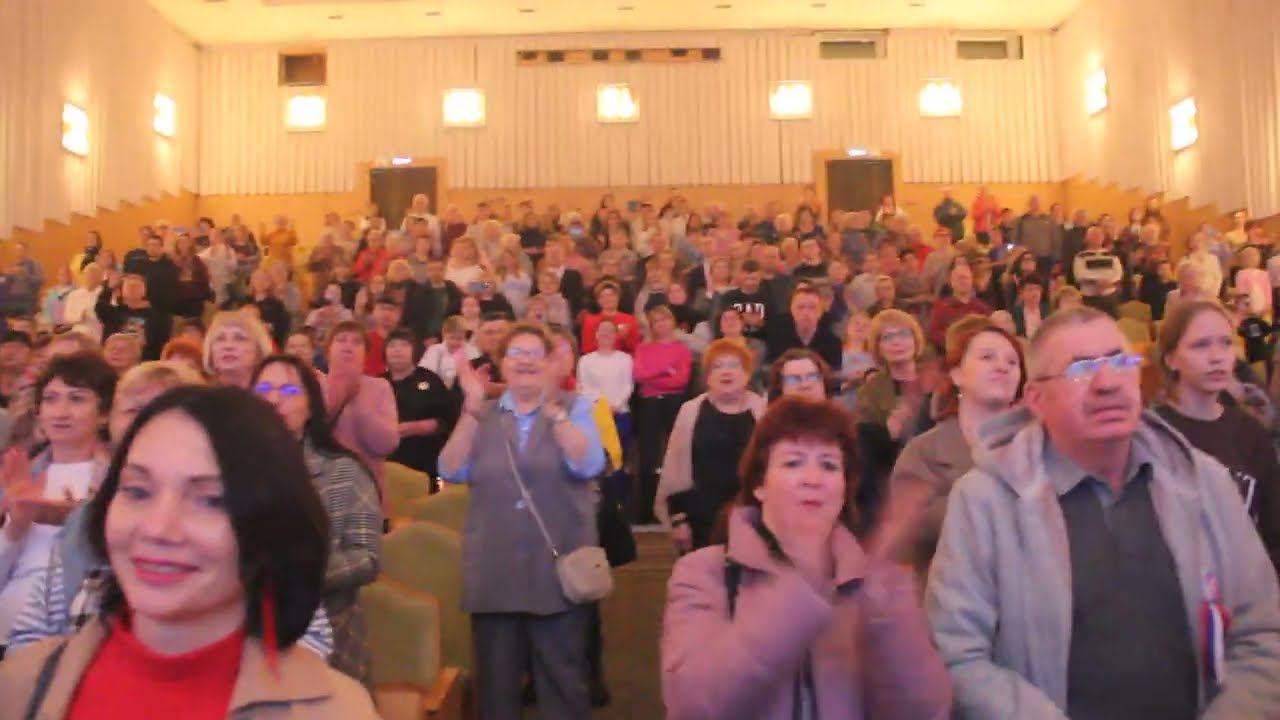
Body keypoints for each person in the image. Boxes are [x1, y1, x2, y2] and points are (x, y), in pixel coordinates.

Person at [927, 307, 1280, 719]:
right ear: (1036, 399)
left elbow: (1262, 633)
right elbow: (958, 654)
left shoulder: (1204, 482)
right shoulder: (985, 501)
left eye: (1120, 361)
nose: (1108, 383)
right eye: (1081, 369)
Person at [0, 386, 379, 718]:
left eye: (211, 500)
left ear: (269, 525)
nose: (158, 528)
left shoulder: (337, 712)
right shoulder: (21, 685)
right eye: (137, 491)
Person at [661, 397, 952, 720]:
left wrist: (885, 607)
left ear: (844, 489)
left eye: (829, 465)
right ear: (759, 486)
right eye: (793, 463)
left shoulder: (876, 584)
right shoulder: (705, 573)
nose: (812, 479)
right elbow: (693, 704)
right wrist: (800, 585)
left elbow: (926, 710)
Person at [438, 322, 606, 720]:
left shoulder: (575, 407)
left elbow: (588, 465)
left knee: (563, 686)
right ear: (501, 364)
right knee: (496, 693)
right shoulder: (484, 414)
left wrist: (556, 416)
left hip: (557, 573)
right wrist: (471, 409)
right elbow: (450, 468)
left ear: (551, 363)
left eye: (535, 354)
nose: (526, 361)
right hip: (495, 571)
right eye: (516, 353)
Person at [253, 355, 382, 683]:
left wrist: (296, 573)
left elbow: (366, 558)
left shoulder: (343, 472)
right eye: (263, 389)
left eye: (288, 391)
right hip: (248, 642)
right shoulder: (230, 472)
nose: (273, 399)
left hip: (330, 642)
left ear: (310, 407)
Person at [889, 317, 1024, 577]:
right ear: (957, 374)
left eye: (1012, 362)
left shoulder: (1039, 448)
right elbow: (904, 539)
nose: (1002, 366)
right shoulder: (924, 452)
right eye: (987, 357)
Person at [1153, 300, 1280, 574]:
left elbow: (1273, 532)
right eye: (1200, 345)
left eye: (1225, 343)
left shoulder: (1251, 433)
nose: (1217, 357)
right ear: (1171, 359)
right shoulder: (1152, 435)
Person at [0, 353, 116, 645]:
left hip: (73, 634)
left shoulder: (116, 481)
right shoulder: (19, 473)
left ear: (104, 413)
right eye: (50, 400)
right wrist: (15, 528)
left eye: (77, 399)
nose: (60, 412)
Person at [657, 339, 766, 552]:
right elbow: (675, 468)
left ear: (747, 374)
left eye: (734, 365)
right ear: (708, 377)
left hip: (754, 517)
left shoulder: (763, 411)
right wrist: (679, 519)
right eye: (718, 366)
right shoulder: (690, 411)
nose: (726, 372)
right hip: (701, 519)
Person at [322, 321, 399, 505]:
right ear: (327, 350)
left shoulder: (380, 387)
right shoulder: (314, 384)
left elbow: (387, 444)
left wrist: (358, 403)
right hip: (322, 489)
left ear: (366, 353)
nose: (348, 346)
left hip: (368, 492)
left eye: (357, 342)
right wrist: (340, 396)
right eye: (341, 339)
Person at [633, 305, 694, 525]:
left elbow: (681, 380)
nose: (661, 324)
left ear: (672, 322)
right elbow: (639, 375)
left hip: (674, 402)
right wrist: (666, 370)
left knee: (677, 453)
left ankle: (678, 510)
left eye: (664, 319)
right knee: (648, 457)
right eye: (656, 321)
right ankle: (647, 512)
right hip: (649, 404)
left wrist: (655, 378)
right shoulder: (643, 348)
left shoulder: (682, 350)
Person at [380, 329, 458, 480]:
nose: (397, 350)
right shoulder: (377, 383)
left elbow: (450, 418)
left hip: (425, 460)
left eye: (404, 345)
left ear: (414, 350)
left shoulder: (431, 380)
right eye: (392, 345)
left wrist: (425, 426)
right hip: (385, 460)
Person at [764, 285, 842, 371]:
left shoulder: (833, 343)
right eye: (800, 307)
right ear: (792, 310)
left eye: (812, 307)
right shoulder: (776, 340)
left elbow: (834, 374)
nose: (806, 313)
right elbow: (770, 370)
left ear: (820, 312)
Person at [94, 273, 169, 360]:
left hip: (144, 361)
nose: (132, 289)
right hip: (113, 359)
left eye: (136, 287)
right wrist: (109, 289)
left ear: (144, 291)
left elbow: (162, 344)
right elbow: (100, 305)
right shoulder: (113, 313)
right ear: (121, 291)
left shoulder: (159, 317)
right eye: (128, 286)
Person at [202, 310, 274, 389]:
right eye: (220, 339)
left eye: (240, 338)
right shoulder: (198, 395)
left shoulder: (273, 394)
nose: (228, 346)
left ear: (259, 351)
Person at [927, 264, 992, 351]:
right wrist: (957, 343)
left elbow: (991, 333)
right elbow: (934, 333)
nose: (962, 281)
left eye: (965, 277)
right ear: (951, 282)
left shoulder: (983, 308)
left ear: (972, 281)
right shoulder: (941, 307)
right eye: (959, 278)